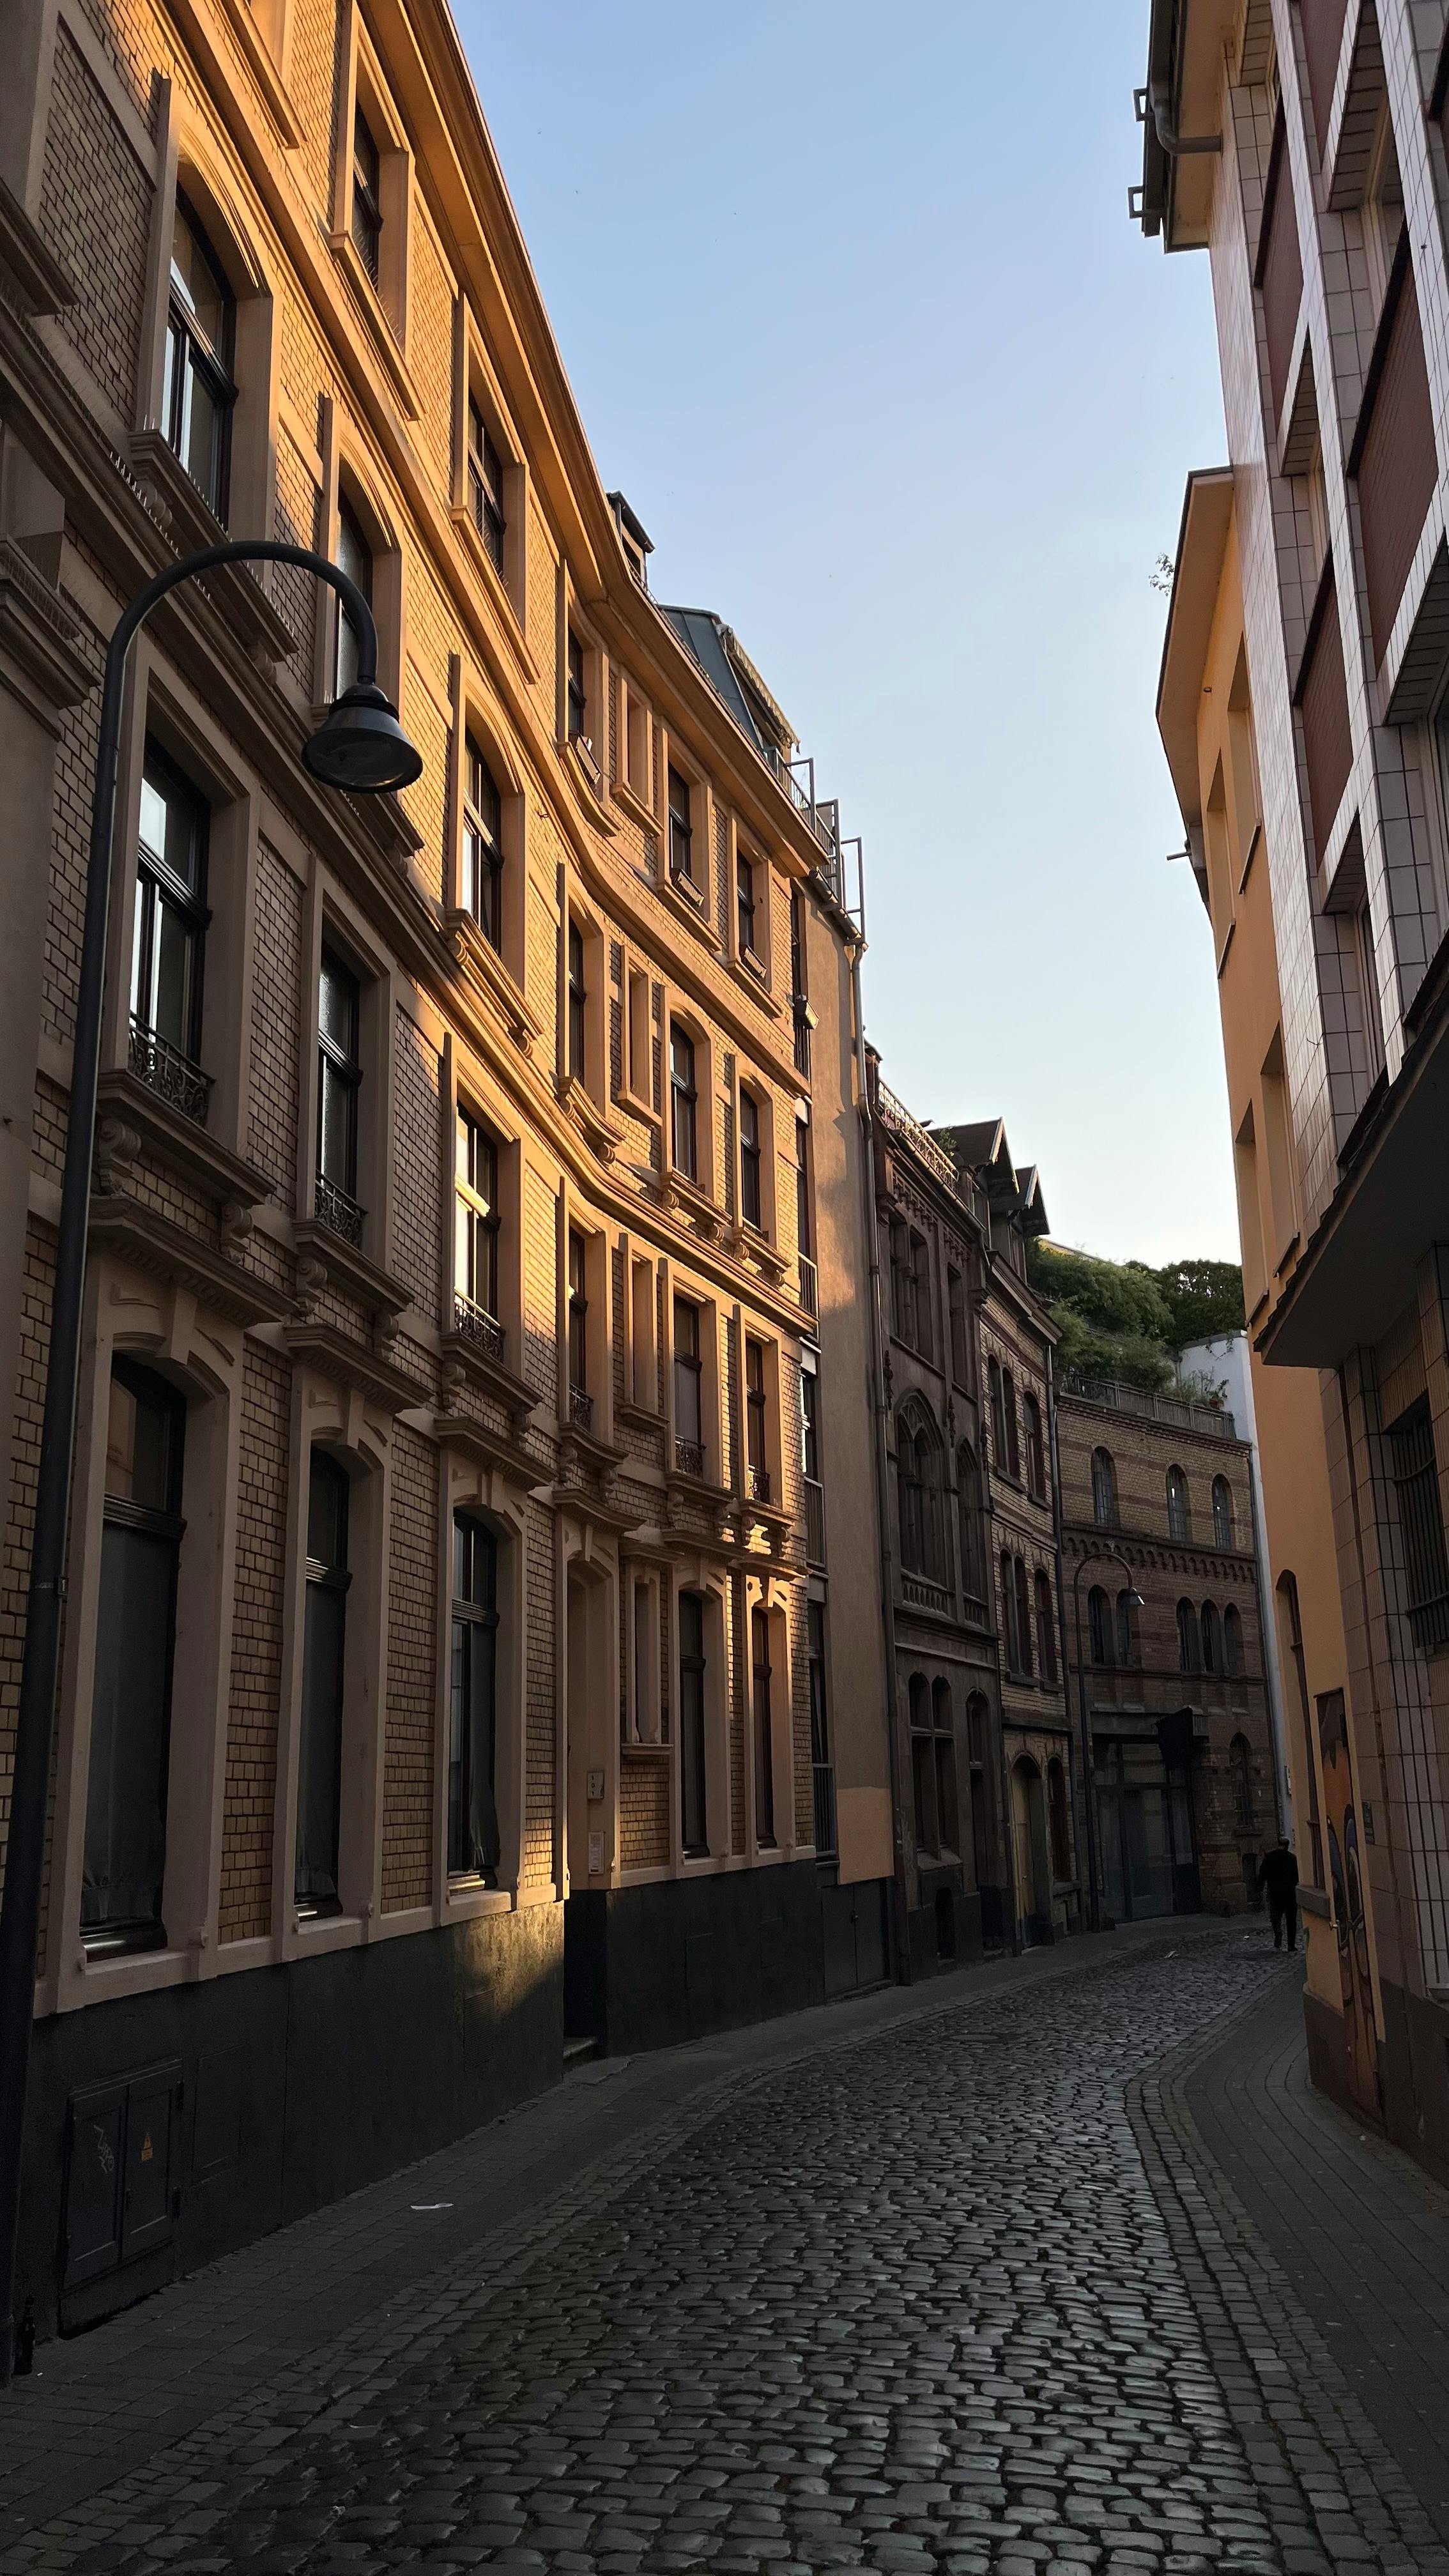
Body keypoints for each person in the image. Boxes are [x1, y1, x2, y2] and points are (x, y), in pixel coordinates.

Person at [1257, 1839, 1299, 1951]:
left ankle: (1278, 1937)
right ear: (1287, 1846)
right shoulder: (1292, 1858)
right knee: (1291, 1920)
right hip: (1290, 1893)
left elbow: (1262, 1874)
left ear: (1278, 1845)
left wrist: (1261, 1887)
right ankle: (1291, 1945)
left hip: (1275, 1892)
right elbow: (1296, 1876)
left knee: (1275, 1917)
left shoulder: (1269, 1857)